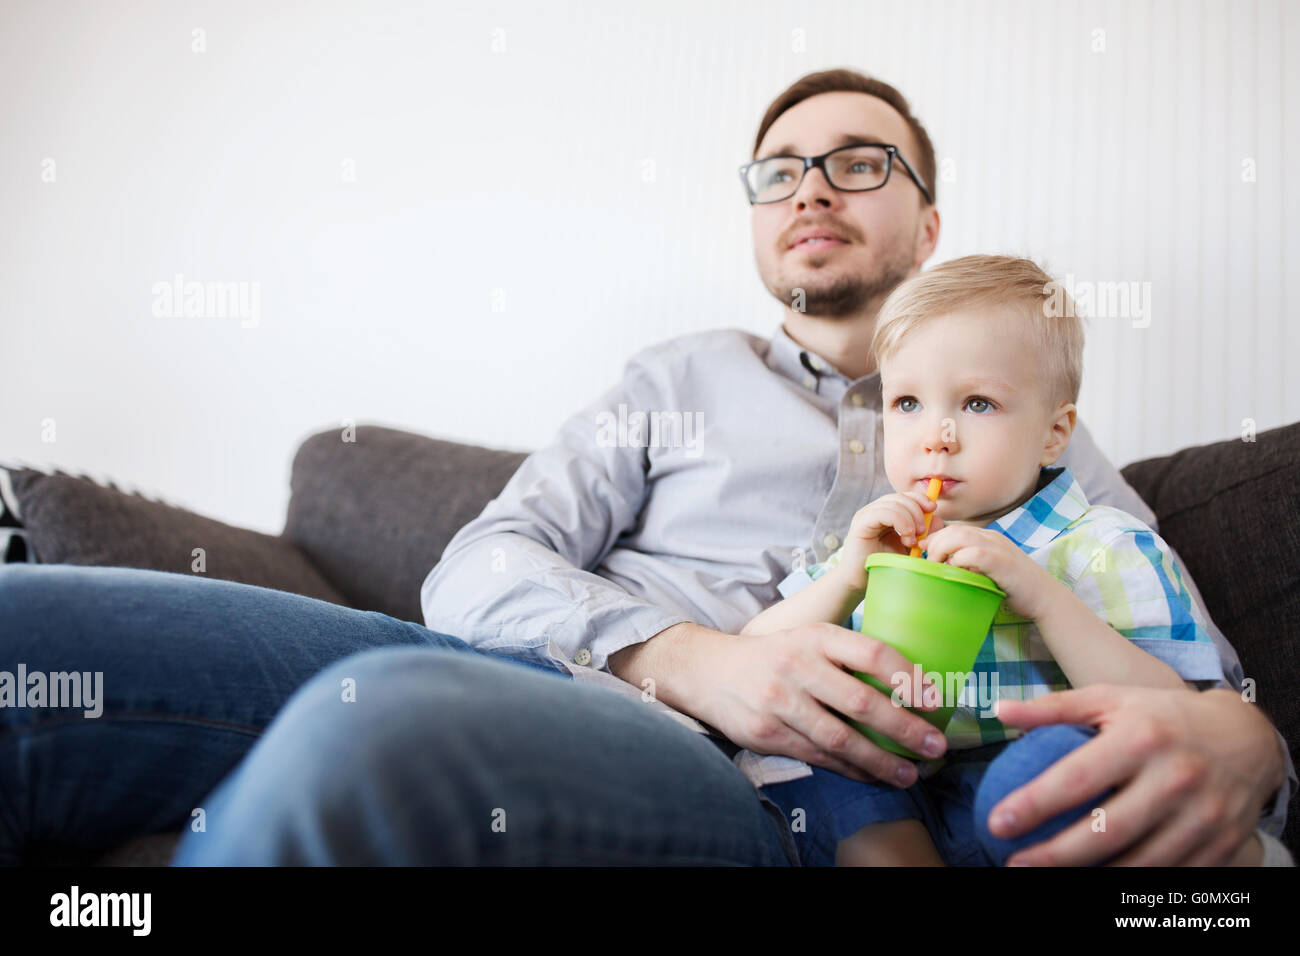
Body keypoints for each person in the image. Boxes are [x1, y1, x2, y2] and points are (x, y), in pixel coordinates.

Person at [1, 70, 1291, 866]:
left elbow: (1198, 674)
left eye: (858, 160)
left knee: (391, 733)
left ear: (929, 219)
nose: (812, 187)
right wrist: (686, 654)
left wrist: (1250, 743)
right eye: (779, 168)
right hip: (556, 669)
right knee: (25, 632)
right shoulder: (671, 380)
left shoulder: (1025, 429)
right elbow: (477, 567)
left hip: (755, 782)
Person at [748, 253, 1255, 866]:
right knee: (809, 760)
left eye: (978, 404)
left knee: (1044, 769)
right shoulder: (881, 546)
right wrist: (850, 579)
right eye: (907, 403)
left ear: (1053, 433)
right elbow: (754, 656)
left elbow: (1175, 709)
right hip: (907, 801)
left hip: (1036, 801)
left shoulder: (1105, 547)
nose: (936, 434)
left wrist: (1041, 595)